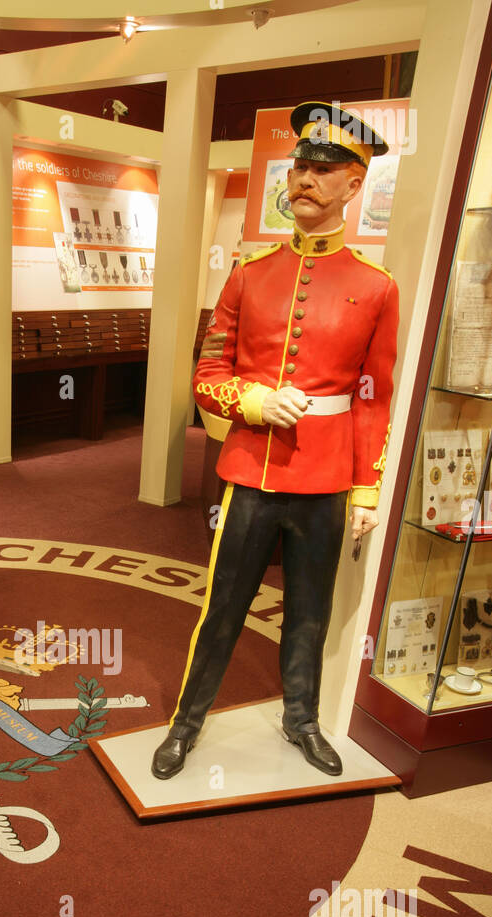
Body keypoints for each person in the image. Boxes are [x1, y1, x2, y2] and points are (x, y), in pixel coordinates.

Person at [152, 101, 399, 780]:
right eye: (299, 166)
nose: (305, 179)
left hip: (326, 480)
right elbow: (207, 375)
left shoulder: (376, 288)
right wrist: (255, 402)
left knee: (310, 616)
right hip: (252, 475)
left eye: (324, 169)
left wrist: (368, 487)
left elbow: (375, 395)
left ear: (355, 184)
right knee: (222, 608)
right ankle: (186, 723)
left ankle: (302, 720)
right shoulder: (248, 275)